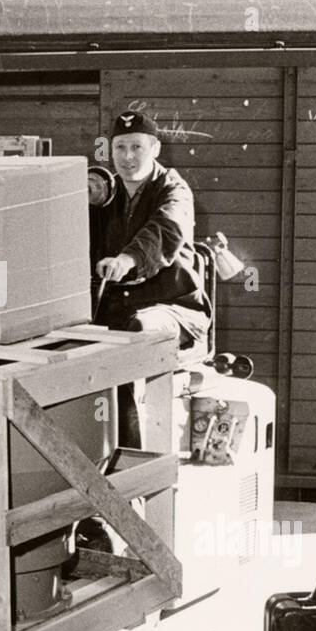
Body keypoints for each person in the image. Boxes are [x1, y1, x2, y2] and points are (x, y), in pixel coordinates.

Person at [89, 109, 211, 446]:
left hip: (173, 307)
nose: (127, 157)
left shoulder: (174, 190)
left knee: (131, 337)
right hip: (117, 307)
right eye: (120, 147)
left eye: (136, 147)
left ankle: (130, 460)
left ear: (155, 148)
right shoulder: (104, 194)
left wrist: (128, 259)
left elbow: (163, 230)